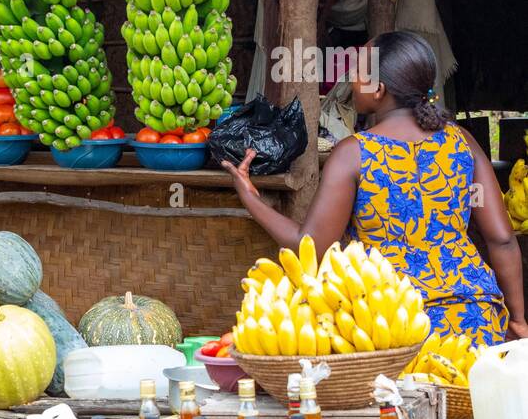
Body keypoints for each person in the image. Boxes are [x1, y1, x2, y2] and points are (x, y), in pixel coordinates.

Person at [225, 31, 525, 346]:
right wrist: (517, 319)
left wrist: (251, 199)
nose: (351, 78)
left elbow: (309, 247)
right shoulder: (462, 140)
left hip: (391, 323)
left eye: (358, 72)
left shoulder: (353, 153)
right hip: (474, 317)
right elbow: (502, 240)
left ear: (379, 90)